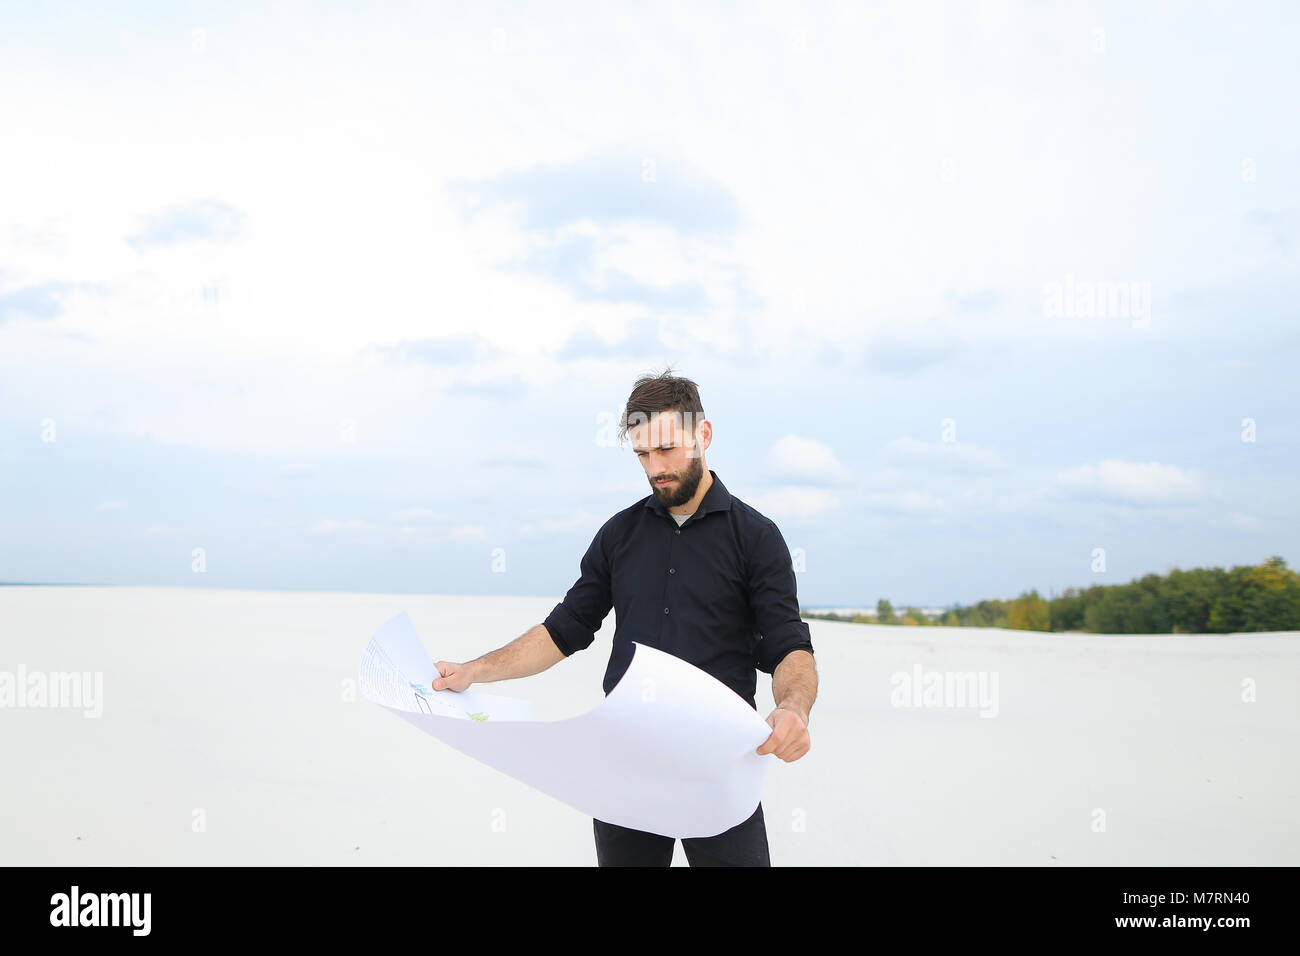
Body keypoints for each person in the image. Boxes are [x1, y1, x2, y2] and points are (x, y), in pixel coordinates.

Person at [431, 368, 819, 866]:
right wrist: (474, 671)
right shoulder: (618, 535)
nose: (655, 467)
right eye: (642, 454)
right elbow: (564, 630)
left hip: (721, 765)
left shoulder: (756, 537)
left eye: (666, 449)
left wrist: (794, 709)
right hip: (625, 766)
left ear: (703, 434)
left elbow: (788, 645)